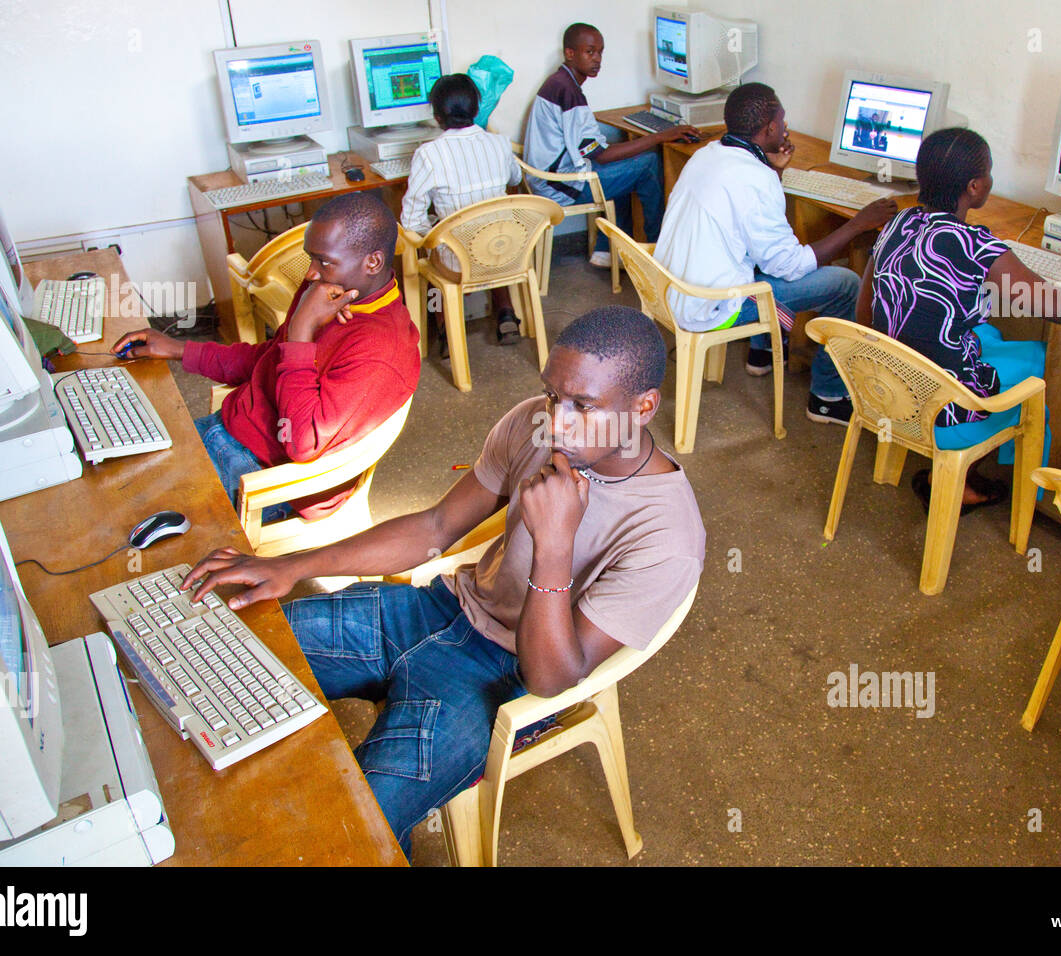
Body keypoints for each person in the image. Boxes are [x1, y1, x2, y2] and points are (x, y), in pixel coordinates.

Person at [180, 306, 706, 857]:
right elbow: (436, 526)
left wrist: (555, 548)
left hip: (498, 680)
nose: (557, 421)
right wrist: (293, 566)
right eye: (553, 395)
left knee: (344, 828)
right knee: (219, 652)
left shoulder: (667, 538)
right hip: (438, 608)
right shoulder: (536, 426)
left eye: (584, 406)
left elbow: (552, 677)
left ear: (643, 407)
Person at [855, 126, 1061, 510]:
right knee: (1043, 358)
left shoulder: (897, 223)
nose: (991, 180)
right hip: (944, 412)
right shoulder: (976, 246)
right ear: (975, 187)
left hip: (889, 391)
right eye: (988, 172)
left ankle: (972, 468)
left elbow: (866, 308)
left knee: (987, 333)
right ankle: (1004, 486)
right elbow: (1059, 308)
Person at [113, 191, 420, 521]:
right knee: (116, 471)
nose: (311, 273)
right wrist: (177, 349)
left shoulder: (381, 350)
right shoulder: (328, 294)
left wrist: (302, 330)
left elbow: (302, 444)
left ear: (372, 262)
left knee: (124, 515)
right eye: (311, 258)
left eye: (325, 261)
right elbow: (271, 360)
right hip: (230, 427)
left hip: (264, 476)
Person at [653, 81, 897, 425]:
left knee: (760, 260)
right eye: (782, 122)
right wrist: (859, 224)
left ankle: (762, 351)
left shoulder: (710, 152)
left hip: (668, 290)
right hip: (710, 305)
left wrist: (776, 171)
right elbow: (790, 266)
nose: (785, 128)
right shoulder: (754, 177)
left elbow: (752, 224)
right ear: (769, 129)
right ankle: (826, 396)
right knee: (846, 283)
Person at [523, 22, 699, 267]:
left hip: (546, 179)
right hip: (560, 187)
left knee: (627, 166)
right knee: (647, 165)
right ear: (570, 53)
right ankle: (659, 255)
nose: (597, 59)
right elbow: (602, 155)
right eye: (590, 52)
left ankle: (607, 251)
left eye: (600, 52)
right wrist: (660, 136)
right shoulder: (568, 93)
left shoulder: (559, 82)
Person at [400, 73, 524, 350]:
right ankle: (506, 315)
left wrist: (436, 227)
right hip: (510, 254)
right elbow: (515, 179)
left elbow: (410, 221)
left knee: (429, 254)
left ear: (437, 117)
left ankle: (445, 329)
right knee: (492, 236)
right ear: (477, 109)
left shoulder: (429, 154)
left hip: (458, 263)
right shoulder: (501, 143)